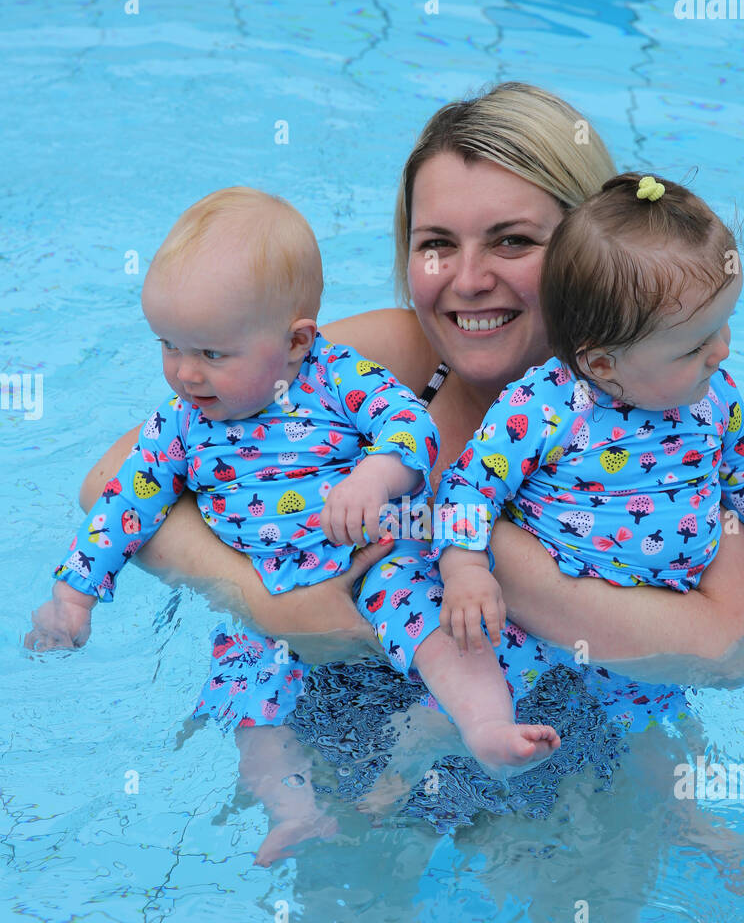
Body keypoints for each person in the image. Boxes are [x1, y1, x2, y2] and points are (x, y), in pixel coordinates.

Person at [73, 83, 744, 839]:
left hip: (574, 740)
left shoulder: (670, 410)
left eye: (512, 241)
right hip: (351, 718)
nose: (467, 279)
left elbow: (728, 647)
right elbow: (110, 482)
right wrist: (266, 601)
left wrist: (488, 556)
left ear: (591, 253)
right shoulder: (395, 359)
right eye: (436, 243)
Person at [26, 185, 452, 858]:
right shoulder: (182, 424)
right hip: (273, 600)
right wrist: (72, 595)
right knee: (247, 706)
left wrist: (375, 475)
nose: (185, 374)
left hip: (380, 569)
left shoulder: (338, 378)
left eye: (212, 355)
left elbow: (411, 426)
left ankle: (423, 750)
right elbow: (123, 501)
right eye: (169, 346)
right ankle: (295, 810)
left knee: (439, 641)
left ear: (296, 342)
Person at [400, 172, 744, 733]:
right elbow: (471, 484)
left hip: (645, 641)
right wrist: (466, 565)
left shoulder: (712, 395)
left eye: (723, 327)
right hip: (530, 641)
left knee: (643, 746)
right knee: (464, 721)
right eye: (695, 345)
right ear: (600, 365)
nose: (722, 352)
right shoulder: (544, 407)